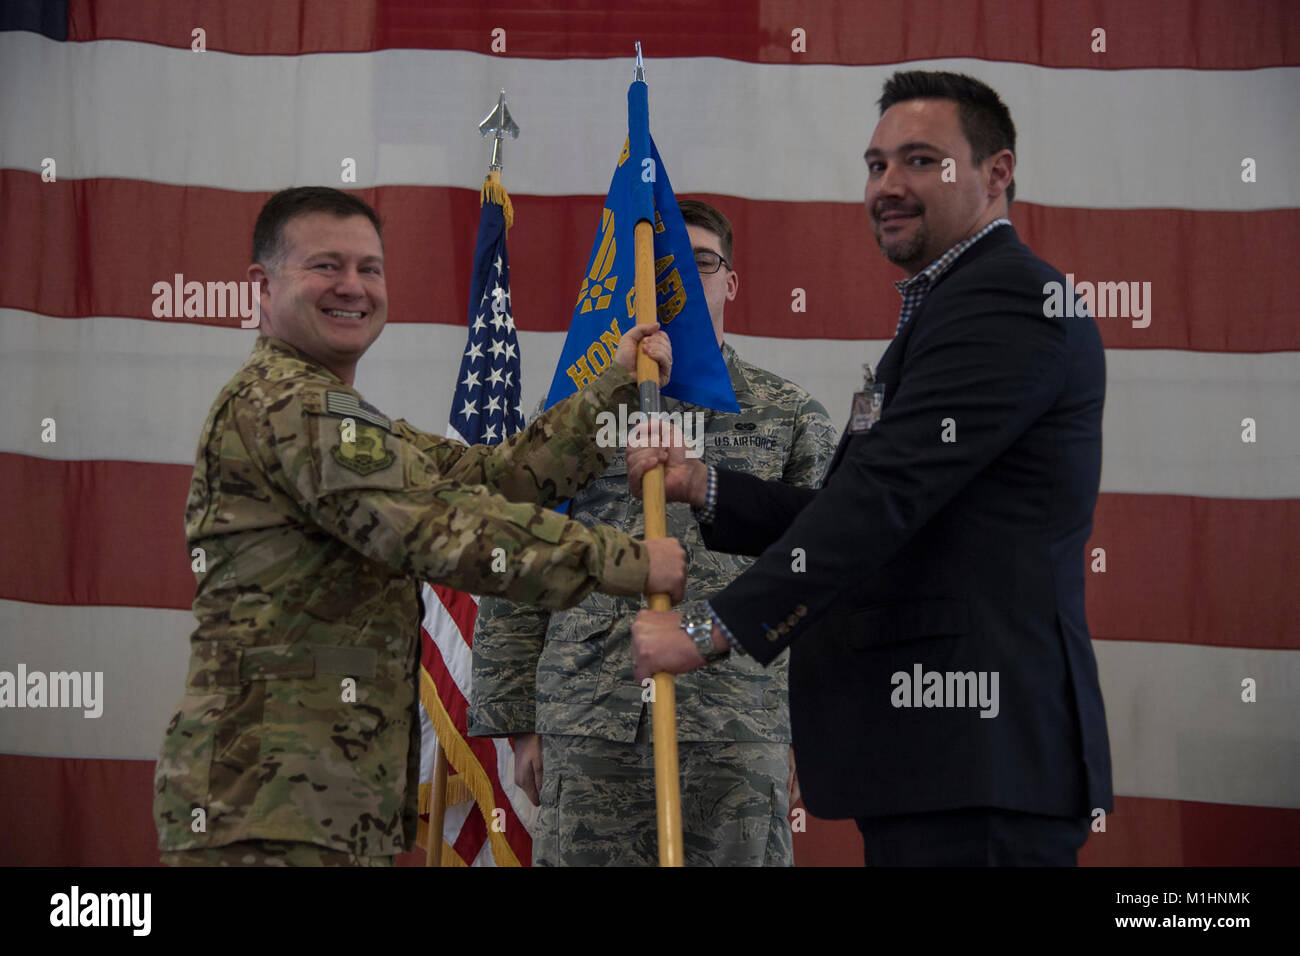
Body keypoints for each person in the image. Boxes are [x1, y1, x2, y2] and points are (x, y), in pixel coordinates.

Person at [628, 72, 1114, 866]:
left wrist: (706, 629)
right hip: (938, 763)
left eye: (920, 161)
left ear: (997, 173)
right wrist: (701, 483)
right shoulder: (951, 303)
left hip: (977, 757)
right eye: (876, 163)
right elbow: (860, 504)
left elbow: (882, 502)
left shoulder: (1006, 301)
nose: (887, 185)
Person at [153, 186, 684, 866]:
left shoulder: (339, 414)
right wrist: (630, 563)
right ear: (261, 284)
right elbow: (438, 528)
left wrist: (611, 387)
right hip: (269, 806)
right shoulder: (288, 406)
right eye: (326, 265)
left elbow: (496, 479)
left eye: (369, 268)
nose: (352, 287)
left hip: (315, 802)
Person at [470, 199, 837, 866]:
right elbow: (515, 557)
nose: (684, 280)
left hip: (739, 721)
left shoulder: (790, 416)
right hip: (587, 716)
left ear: (731, 281)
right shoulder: (573, 411)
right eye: (667, 266)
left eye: (702, 263)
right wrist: (517, 722)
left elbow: (825, 571)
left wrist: (807, 730)